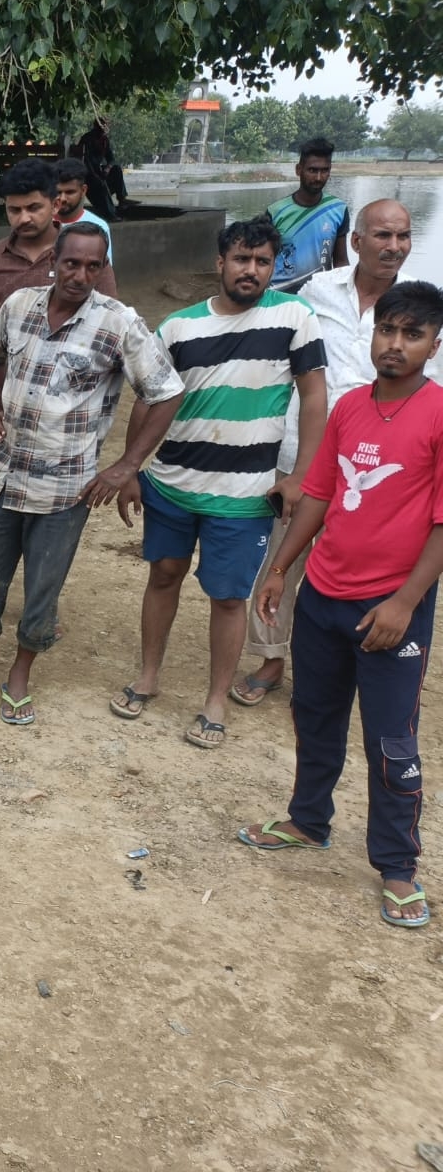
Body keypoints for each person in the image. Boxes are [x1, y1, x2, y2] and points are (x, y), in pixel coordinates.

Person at [237, 281, 443, 930]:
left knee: (390, 743)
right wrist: (279, 571)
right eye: (388, 330)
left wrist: (404, 603)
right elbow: (320, 494)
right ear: (371, 333)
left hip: (389, 609)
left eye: (413, 334)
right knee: (314, 715)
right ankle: (308, 820)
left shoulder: (439, 415)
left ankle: (397, 866)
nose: (395, 344)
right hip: (324, 594)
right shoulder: (351, 407)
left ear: (435, 344)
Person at [0, 223, 183, 723]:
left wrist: (127, 466)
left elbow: (166, 391)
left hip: (67, 488)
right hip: (3, 474)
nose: (80, 275)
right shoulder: (19, 305)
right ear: (53, 262)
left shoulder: (119, 323)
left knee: (43, 586)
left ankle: (21, 672)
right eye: (71, 263)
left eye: (93, 266)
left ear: (103, 268)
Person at [111, 217, 327, 749]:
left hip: (246, 496)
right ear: (220, 264)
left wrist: (301, 476)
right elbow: (148, 399)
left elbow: (315, 397)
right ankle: (148, 677)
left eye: (261, 262)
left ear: (272, 267)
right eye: (240, 259)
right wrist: (130, 469)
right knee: (163, 575)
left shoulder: (295, 317)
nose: (250, 270)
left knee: (229, 598)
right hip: (171, 484)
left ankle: (214, 701)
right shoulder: (178, 327)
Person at [234, 200, 440, 706]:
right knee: (283, 557)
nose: (394, 247)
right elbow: (286, 356)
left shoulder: (423, 310)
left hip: (389, 467)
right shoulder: (317, 292)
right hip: (305, 453)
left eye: (403, 236)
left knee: (364, 563)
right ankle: (272, 658)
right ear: (356, 241)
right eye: (382, 236)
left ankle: (336, 668)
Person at [0, 158, 121, 623]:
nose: (24, 219)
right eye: (14, 210)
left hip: (66, 406)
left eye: (34, 208)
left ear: (54, 204)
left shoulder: (80, 258)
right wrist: (13, 334)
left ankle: (40, 605)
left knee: (54, 507)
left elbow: (110, 320)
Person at [266, 136, 349, 290]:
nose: (318, 177)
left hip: (321, 294)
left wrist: (345, 294)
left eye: (324, 170)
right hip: (281, 294)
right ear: (299, 170)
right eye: (312, 170)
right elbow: (263, 258)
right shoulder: (275, 211)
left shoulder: (338, 209)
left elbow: (341, 262)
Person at [52, 156, 114, 264]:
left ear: (83, 190)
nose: (62, 199)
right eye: (58, 192)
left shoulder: (99, 227)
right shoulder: (40, 223)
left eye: (70, 192)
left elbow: (104, 274)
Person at [76, 117, 135, 220]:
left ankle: (122, 199)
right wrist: (95, 176)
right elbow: (86, 162)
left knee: (116, 169)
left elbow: (111, 159)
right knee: (101, 184)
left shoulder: (105, 140)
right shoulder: (87, 139)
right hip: (88, 176)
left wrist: (108, 167)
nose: (104, 128)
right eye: (102, 126)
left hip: (99, 172)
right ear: (96, 126)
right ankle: (111, 214)